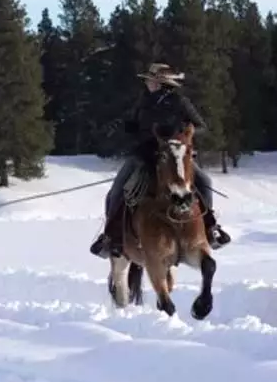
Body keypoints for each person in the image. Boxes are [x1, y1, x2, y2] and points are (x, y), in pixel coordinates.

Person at [89, 63, 231, 259]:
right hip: (144, 155)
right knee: (117, 189)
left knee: (205, 182)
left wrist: (179, 130)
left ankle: (211, 228)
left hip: (174, 156)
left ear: (162, 83)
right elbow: (134, 123)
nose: (147, 82)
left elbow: (200, 126)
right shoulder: (143, 101)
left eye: (150, 79)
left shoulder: (180, 102)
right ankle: (111, 237)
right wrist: (124, 126)